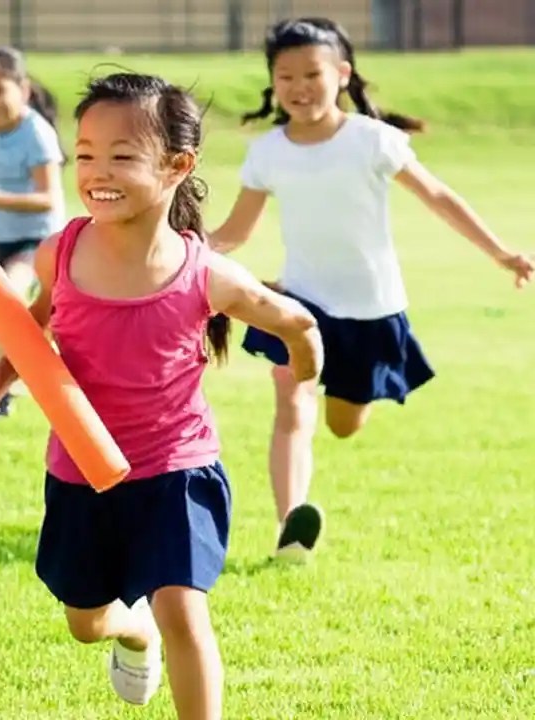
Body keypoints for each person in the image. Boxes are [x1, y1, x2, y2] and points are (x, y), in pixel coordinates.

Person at [0, 73, 324, 719]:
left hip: (176, 468)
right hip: (81, 473)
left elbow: (296, 321)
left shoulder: (206, 273)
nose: (98, 170)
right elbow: (29, 333)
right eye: (88, 153)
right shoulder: (59, 253)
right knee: (84, 620)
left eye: (123, 156)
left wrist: (304, 366)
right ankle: (133, 629)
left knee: (183, 608)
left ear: (178, 166)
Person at [209, 17, 533, 561]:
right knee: (291, 398)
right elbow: (235, 232)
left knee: (344, 423)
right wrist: (178, 248)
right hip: (302, 299)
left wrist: (502, 253)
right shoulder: (267, 151)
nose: (298, 86)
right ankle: (291, 524)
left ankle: (354, 400)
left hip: (370, 310)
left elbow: (439, 198)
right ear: (273, 82)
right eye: (285, 76)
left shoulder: (373, 141)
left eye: (312, 73)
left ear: (341, 74)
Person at [0, 46, 66, 415]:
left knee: (7, 294)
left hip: (38, 237)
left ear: (22, 91)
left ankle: (44, 370)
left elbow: (48, 198)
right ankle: (3, 390)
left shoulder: (36, 133)